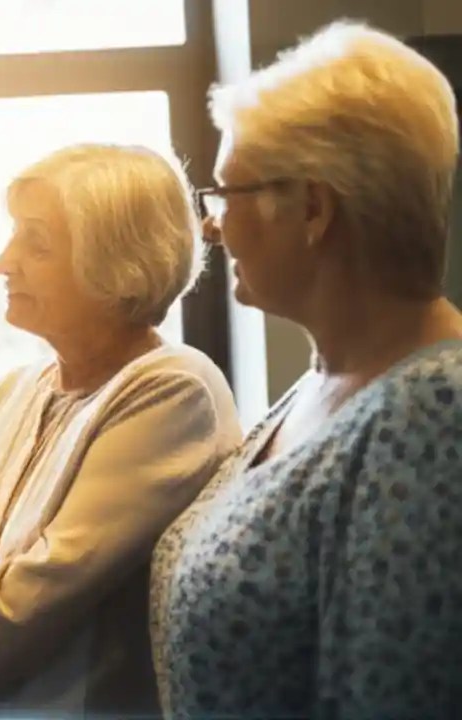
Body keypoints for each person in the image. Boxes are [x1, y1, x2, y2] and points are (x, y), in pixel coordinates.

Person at [0, 144, 243, 717]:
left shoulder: (175, 389)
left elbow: (32, 597)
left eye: (37, 243)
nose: (3, 262)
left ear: (118, 262)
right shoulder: (14, 390)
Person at [150, 21, 462, 719]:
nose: (212, 225)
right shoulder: (325, 382)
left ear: (313, 208)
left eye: (226, 194)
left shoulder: (433, 420)